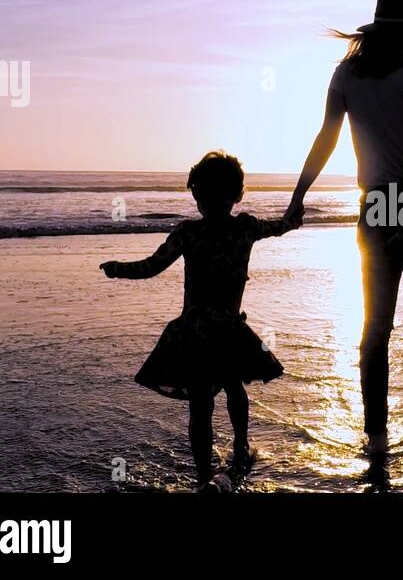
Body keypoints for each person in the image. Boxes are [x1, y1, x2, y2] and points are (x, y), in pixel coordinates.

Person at [284, 0, 403, 455]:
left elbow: (326, 137)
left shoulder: (347, 73)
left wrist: (298, 196)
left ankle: (376, 433)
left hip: (378, 206)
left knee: (375, 324)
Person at [100, 151, 296, 490]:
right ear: (237, 194)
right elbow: (279, 227)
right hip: (230, 329)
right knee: (234, 386)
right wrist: (294, 218)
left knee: (201, 403)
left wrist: (118, 269)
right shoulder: (245, 227)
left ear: (196, 194)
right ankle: (240, 448)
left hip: (193, 332)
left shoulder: (187, 232)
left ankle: (204, 476)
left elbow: (152, 266)